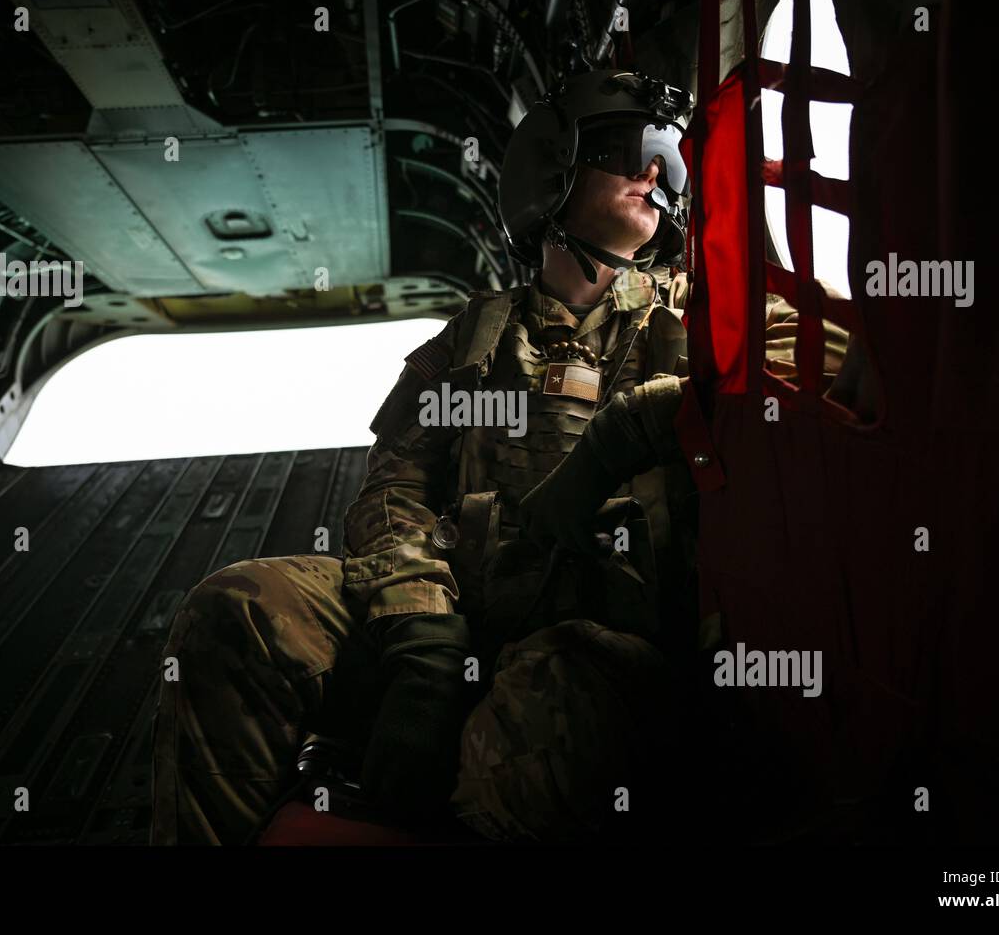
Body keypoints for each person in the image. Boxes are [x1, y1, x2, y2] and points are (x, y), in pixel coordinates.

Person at [150, 69, 706, 845]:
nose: (656, 172)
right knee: (241, 610)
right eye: (628, 148)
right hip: (460, 603)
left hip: (605, 636)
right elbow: (393, 495)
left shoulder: (702, 315)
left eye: (671, 159)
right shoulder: (472, 340)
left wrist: (624, 434)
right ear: (552, 168)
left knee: (547, 706)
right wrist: (422, 631)